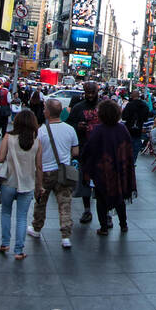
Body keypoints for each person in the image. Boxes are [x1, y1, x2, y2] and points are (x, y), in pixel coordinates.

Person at [80, 99, 137, 234]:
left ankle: (104, 227)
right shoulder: (122, 129)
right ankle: (123, 224)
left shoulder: (98, 130)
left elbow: (89, 150)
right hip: (119, 169)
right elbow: (128, 149)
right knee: (120, 199)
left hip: (103, 170)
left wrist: (85, 166)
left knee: (101, 199)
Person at [30, 97, 78, 250]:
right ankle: (65, 236)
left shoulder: (41, 132)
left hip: (45, 172)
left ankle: (37, 228)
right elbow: (75, 151)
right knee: (65, 204)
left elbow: (36, 154)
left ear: (47, 113)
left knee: (40, 201)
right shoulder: (70, 129)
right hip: (64, 172)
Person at [0, 109, 42, 259]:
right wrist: (39, 186)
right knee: (22, 217)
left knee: (6, 212)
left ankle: (4, 243)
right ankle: (19, 250)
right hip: (27, 184)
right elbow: (39, 166)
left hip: (9, 182)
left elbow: (1, 158)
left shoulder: (9, 137)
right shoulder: (36, 142)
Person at [67, 82, 103, 221]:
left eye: (92, 93)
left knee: (102, 183)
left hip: (101, 151)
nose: (89, 96)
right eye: (87, 93)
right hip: (84, 150)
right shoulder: (78, 108)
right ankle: (87, 210)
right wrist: (77, 126)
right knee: (85, 182)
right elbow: (69, 125)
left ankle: (104, 211)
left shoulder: (103, 106)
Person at [122, 88, 150, 162]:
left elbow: (124, 117)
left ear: (132, 96)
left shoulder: (129, 105)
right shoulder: (144, 106)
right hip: (138, 130)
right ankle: (133, 162)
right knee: (135, 147)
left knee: (127, 148)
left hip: (129, 130)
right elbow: (146, 118)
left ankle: (127, 161)